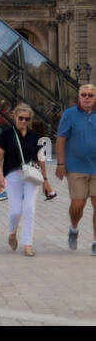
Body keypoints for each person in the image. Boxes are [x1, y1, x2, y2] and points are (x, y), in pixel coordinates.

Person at [0, 102, 45, 256]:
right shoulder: (6, 134)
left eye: (26, 118)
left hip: (31, 175)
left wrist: (46, 180)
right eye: (21, 118)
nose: (23, 121)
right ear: (14, 117)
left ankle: (28, 244)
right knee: (16, 211)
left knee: (30, 208)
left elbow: (41, 158)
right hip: (13, 174)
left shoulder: (35, 136)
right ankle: (12, 232)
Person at [57, 83, 96, 254]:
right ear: (79, 97)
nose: (87, 98)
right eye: (84, 95)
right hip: (76, 167)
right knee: (78, 204)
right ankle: (74, 228)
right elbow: (61, 139)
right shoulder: (69, 114)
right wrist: (60, 164)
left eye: (90, 95)